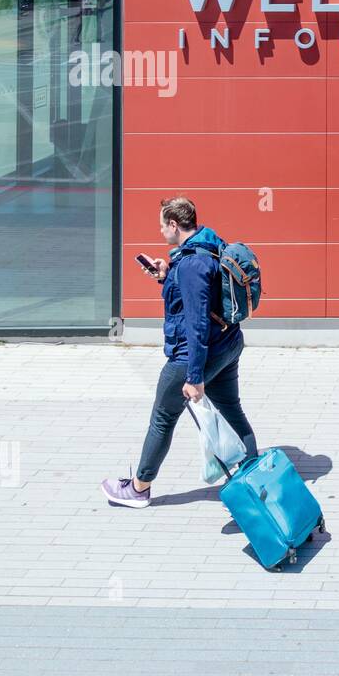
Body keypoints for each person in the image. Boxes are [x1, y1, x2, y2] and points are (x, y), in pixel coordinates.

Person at [102, 197, 258, 508]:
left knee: (163, 416)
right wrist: (167, 271)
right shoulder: (206, 244)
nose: (160, 231)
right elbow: (206, 287)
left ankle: (138, 488)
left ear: (174, 225)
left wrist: (195, 377)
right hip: (228, 343)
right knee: (231, 408)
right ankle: (254, 472)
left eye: (162, 225)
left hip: (194, 354)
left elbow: (197, 323)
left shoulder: (191, 265)